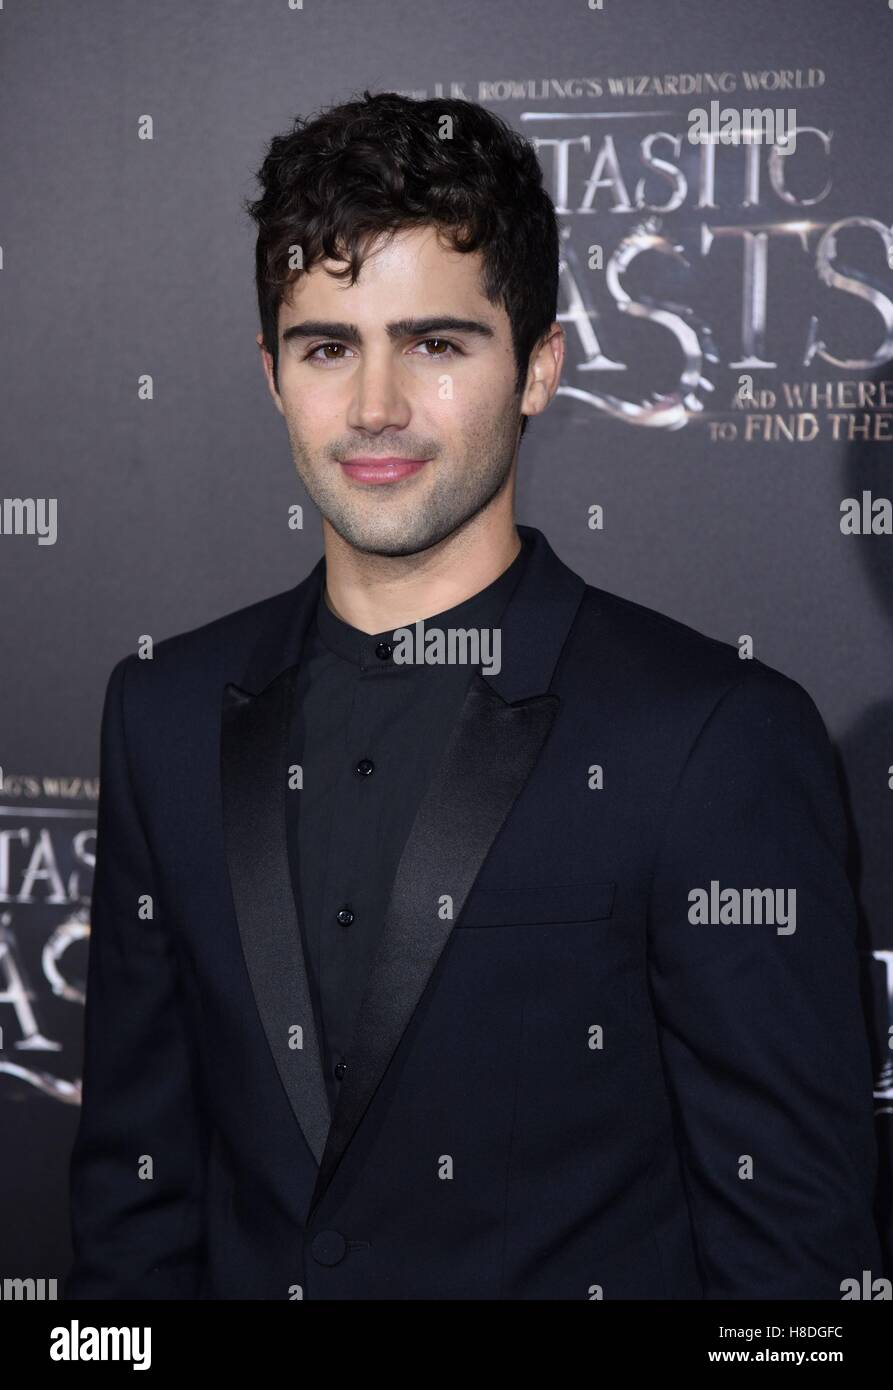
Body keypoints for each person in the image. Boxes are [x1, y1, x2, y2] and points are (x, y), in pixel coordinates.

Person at [65, 90, 882, 1300]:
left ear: (538, 366)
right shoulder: (164, 712)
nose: (374, 407)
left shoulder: (709, 736)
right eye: (327, 347)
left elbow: (793, 1274)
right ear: (271, 373)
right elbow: (134, 1216)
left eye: (434, 345)